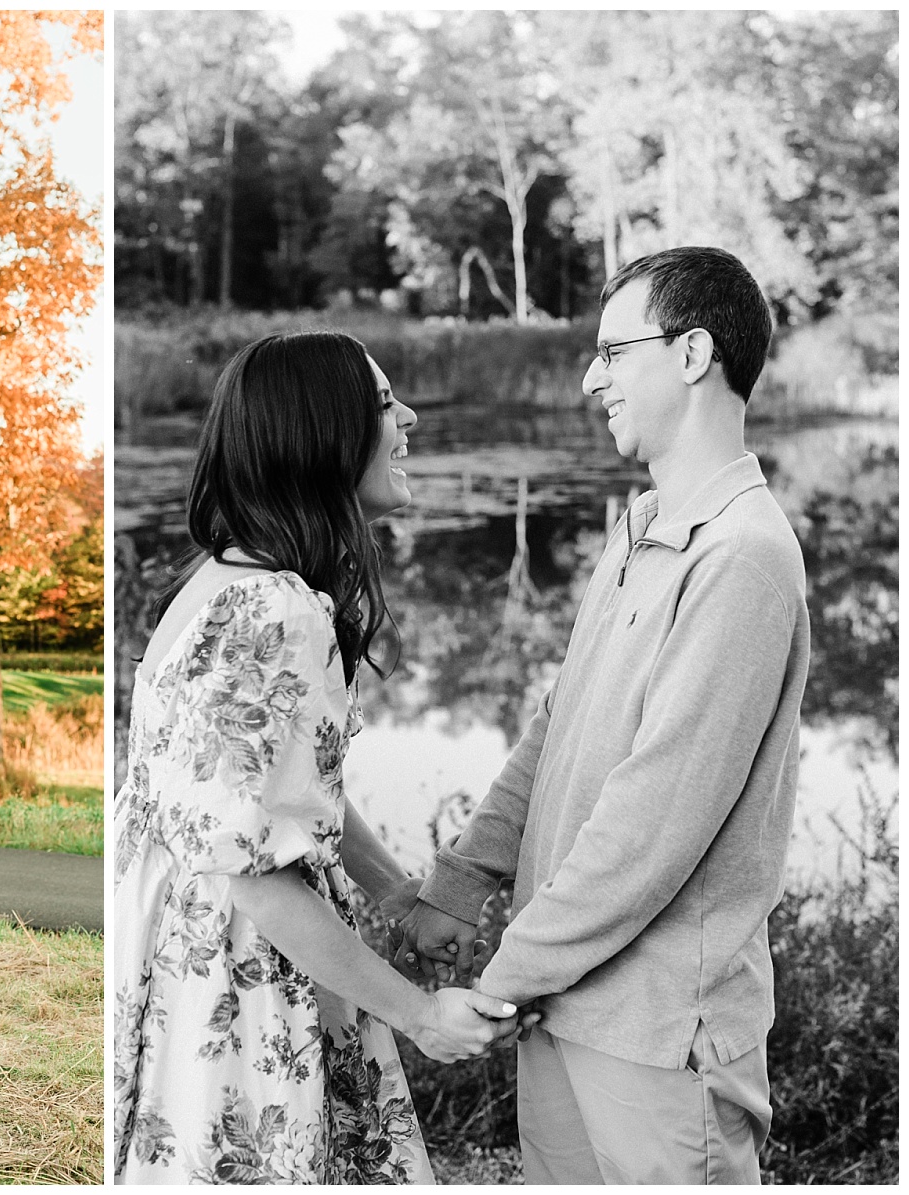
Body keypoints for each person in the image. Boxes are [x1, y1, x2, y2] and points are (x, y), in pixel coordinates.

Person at [398, 246, 811, 1183]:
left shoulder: (741, 556)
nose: (592, 378)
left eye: (614, 352)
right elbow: (559, 727)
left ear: (693, 352)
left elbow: (652, 822)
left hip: (660, 1040)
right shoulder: (639, 530)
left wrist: (501, 981)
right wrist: (462, 879)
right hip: (565, 1008)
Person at [114, 330, 523, 1185]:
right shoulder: (283, 614)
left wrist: (400, 895)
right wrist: (418, 1014)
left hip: (171, 953)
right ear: (322, 434)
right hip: (249, 975)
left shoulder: (216, 580)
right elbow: (255, 872)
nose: (408, 418)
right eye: (383, 404)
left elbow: (271, 802)